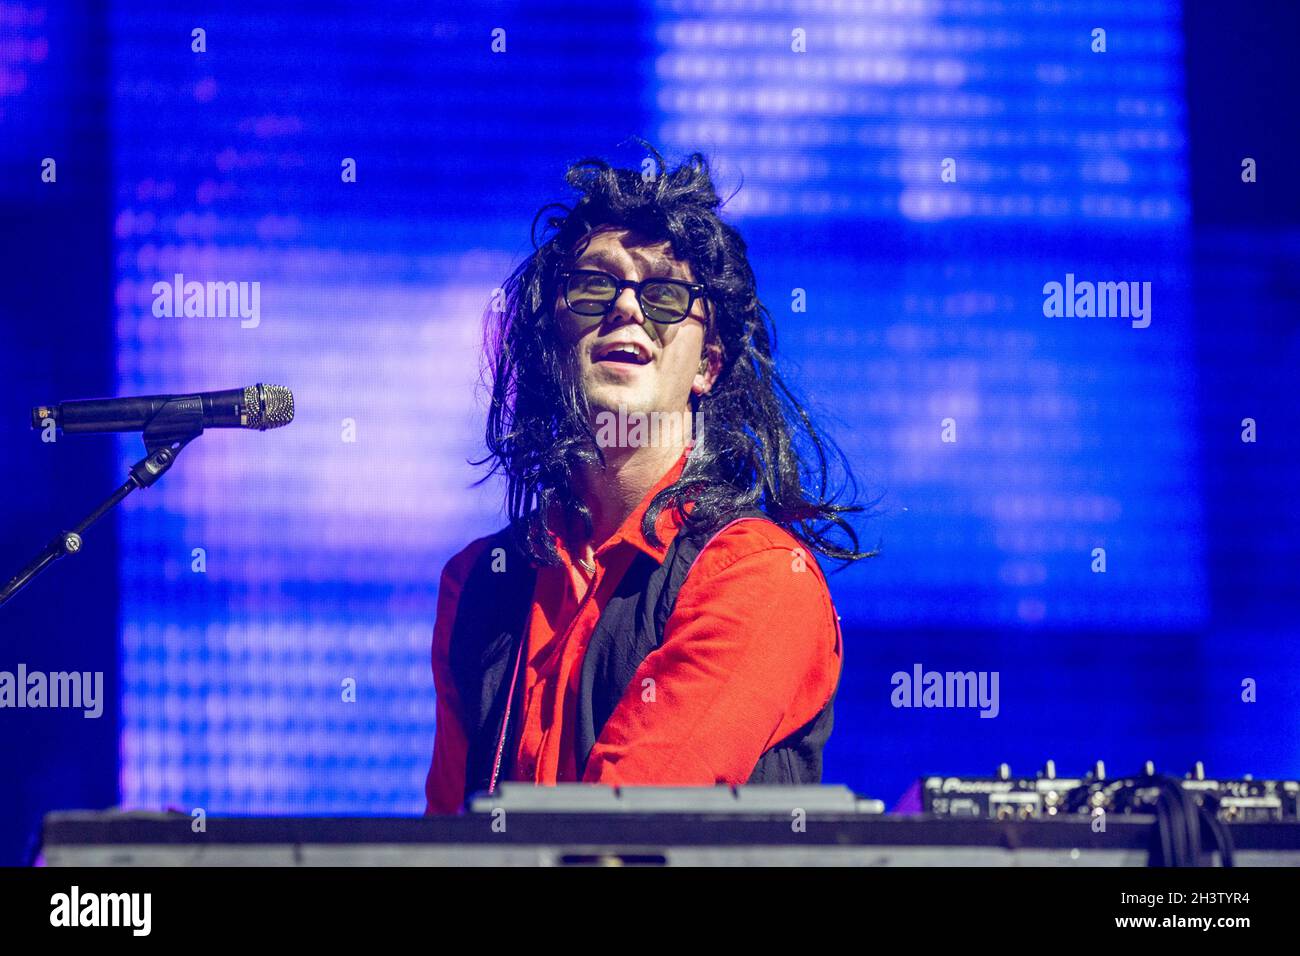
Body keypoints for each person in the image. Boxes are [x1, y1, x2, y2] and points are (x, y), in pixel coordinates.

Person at [425, 144, 872, 814]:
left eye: (665, 294)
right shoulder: (478, 583)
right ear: (555, 336)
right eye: (596, 284)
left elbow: (617, 829)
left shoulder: (757, 579)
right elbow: (443, 843)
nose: (627, 308)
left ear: (708, 367)